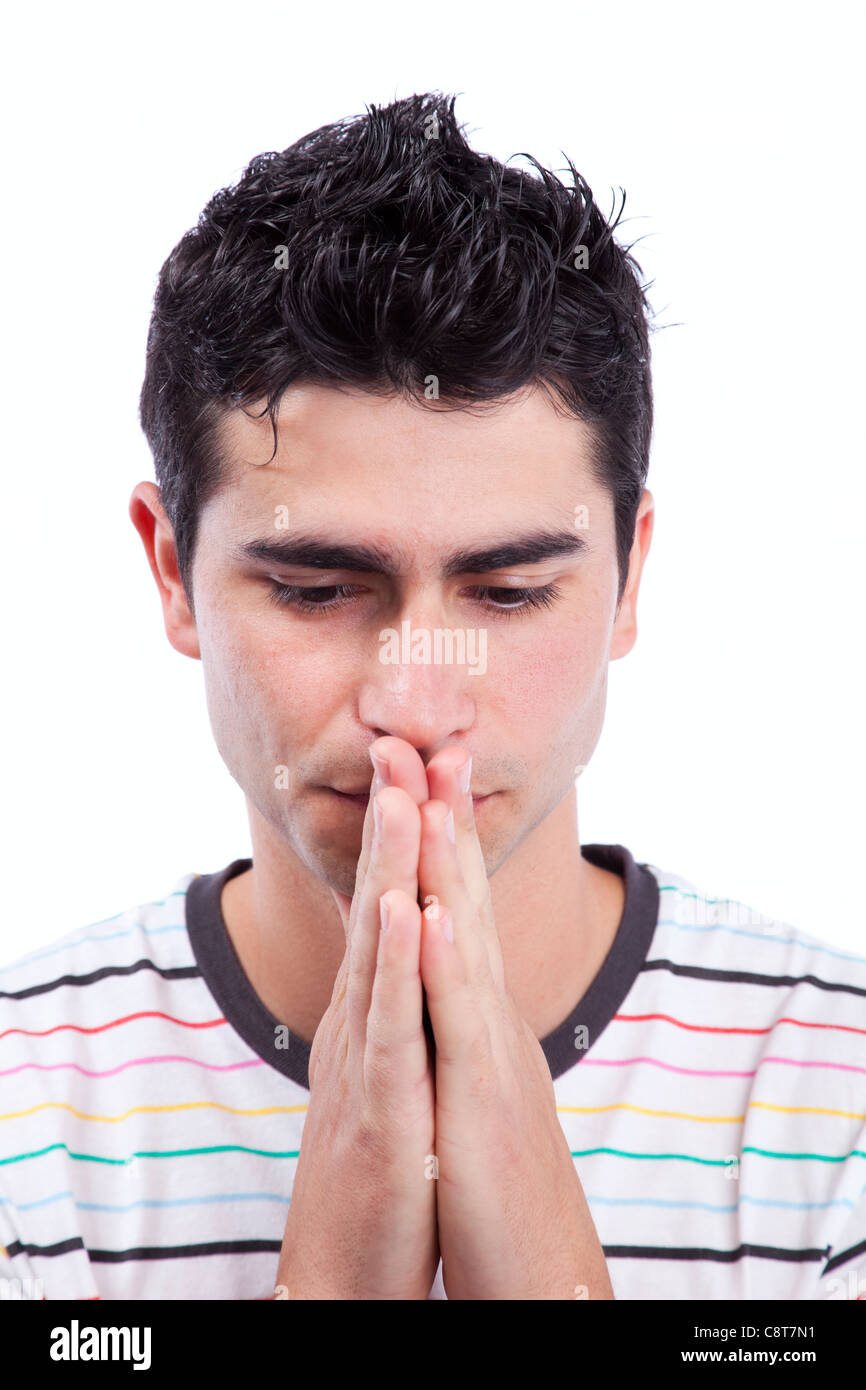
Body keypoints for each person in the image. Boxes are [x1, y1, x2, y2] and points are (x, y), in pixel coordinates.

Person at [1, 92, 863, 1302]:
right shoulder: (24, 1117)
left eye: (507, 592)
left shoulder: (838, 1099)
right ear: (169, 571)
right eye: (313, 588)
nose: (414, 701)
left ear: (627, 580)